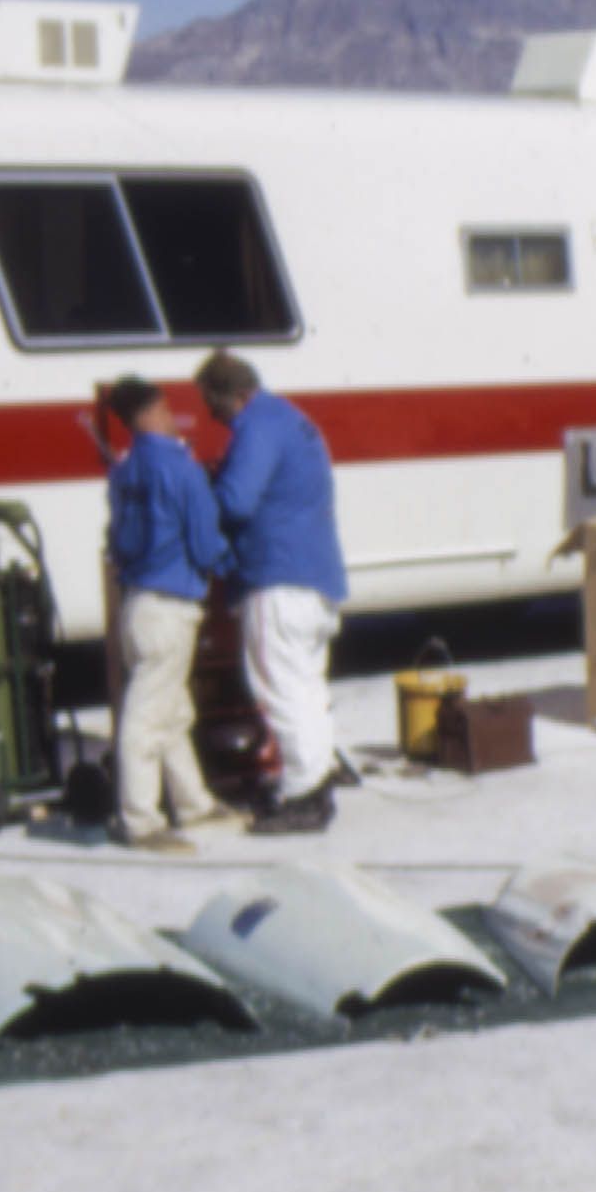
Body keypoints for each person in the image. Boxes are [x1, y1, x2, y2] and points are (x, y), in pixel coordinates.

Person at [197, 349, 347, 833]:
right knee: (305, 685)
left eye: (214, 406)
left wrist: (202, 492)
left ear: (236, 395)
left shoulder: (256, 426)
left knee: (281, 686)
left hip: (277, 577)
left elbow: (237, 502)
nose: (211, 417)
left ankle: (303, 796)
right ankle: (314, 781)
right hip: (315, 575)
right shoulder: (292, 419)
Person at [92, 378, 230, 851]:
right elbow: (205, 543)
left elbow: (118, 540)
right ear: (152, 411)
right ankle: (141, 822)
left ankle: (194, 805)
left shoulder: (123, 473)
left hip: (135, 604)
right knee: (147, 718)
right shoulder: (181, 468)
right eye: (167, 407)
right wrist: (231, 562)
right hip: (170, 607)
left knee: (171, 712)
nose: (173, 415)